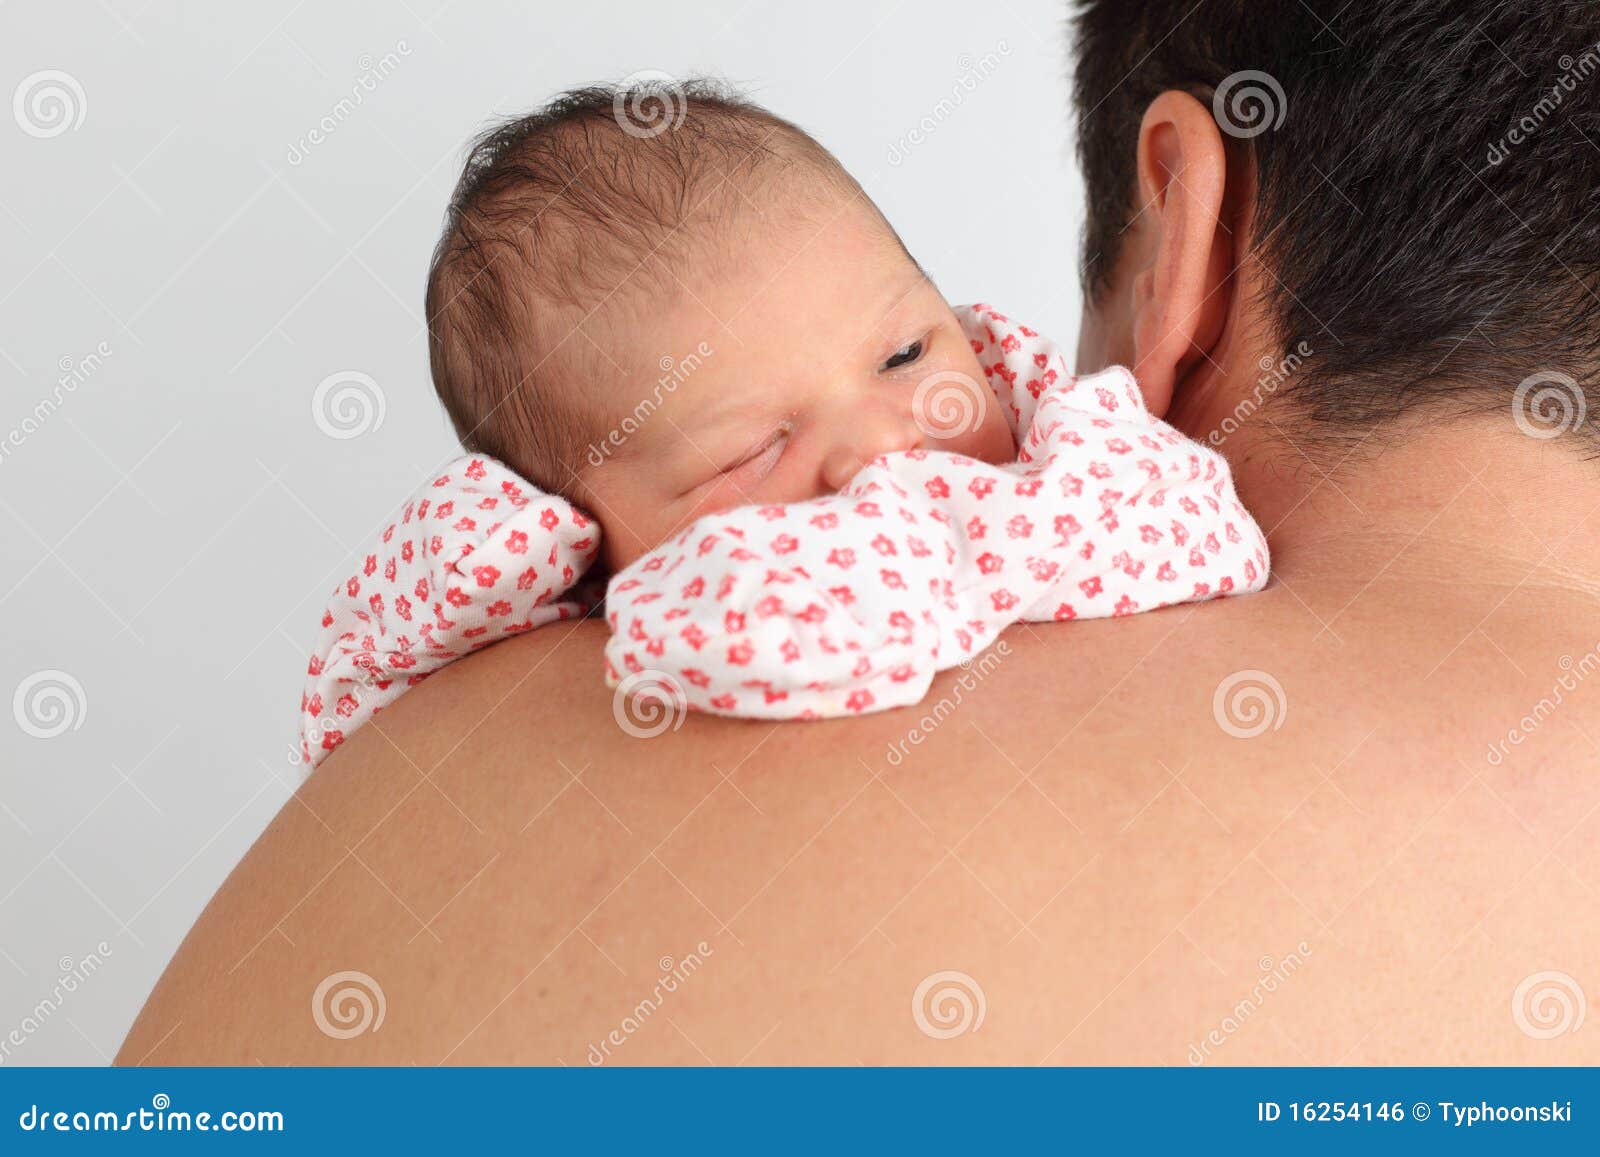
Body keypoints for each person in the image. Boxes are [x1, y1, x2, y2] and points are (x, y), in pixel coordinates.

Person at [118, 0, 1600, 1063]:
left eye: (906, 361)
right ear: (582, 530)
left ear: (1180, 233)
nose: (880, 454)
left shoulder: (445, 797)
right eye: (751, 449)